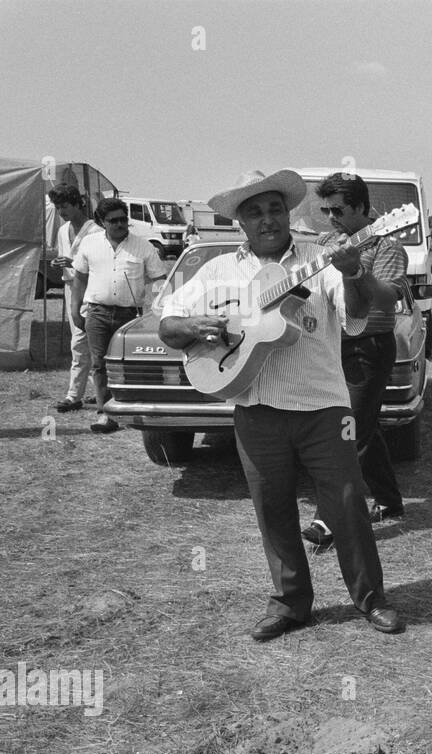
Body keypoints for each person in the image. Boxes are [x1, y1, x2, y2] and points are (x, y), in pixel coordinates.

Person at [158, 169, 404, 640]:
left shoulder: (321, 258)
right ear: (240, 223)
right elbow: (169, 322)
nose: (268, 219)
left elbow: (354, 316)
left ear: (288, 214)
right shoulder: (217, 272)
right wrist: (196, 327)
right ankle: (291, 603)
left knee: (349, 505)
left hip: (325, 409)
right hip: (256, 408)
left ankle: (371, 599)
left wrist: (353, 271)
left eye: (275, 209)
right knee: (272, 509)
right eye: (255, 212)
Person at [300, 173, 409, 549]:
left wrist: (356, 271)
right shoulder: (326, 242)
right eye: (326, 210)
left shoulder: (388, 244)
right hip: (331, 346)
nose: (331, 218)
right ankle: (390, 501)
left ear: (363, 207)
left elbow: (388, 296)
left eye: (339, 210)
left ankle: (328, 518)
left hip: (369, 347)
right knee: (362, 429)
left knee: (347, 430)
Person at [70, 197, 169, 433]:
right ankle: (106, 414)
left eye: (123, 219)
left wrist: (160, 309)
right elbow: (80, 278)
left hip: (130, 316)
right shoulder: (89, 244)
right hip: (97, 313)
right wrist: (75, 310)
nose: (119, 224)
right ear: (102, 222)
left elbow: (159, 280)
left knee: (132, 365)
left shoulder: (143, 246)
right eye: (113, 220)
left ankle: (134, 410)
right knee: (99, 364)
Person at [48, 185, 102, 413]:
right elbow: (66, 257)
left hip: (91, 290)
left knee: (84, 342)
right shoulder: (62, 230)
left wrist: (73, 264)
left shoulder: (96, 232)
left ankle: (77, 395)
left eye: (64, 206)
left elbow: (100, 265)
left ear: (77, 204)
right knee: (82, 341)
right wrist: (58, 263)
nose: (61, 212)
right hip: (72, 288)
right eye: (58, 207)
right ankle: (87, 392)